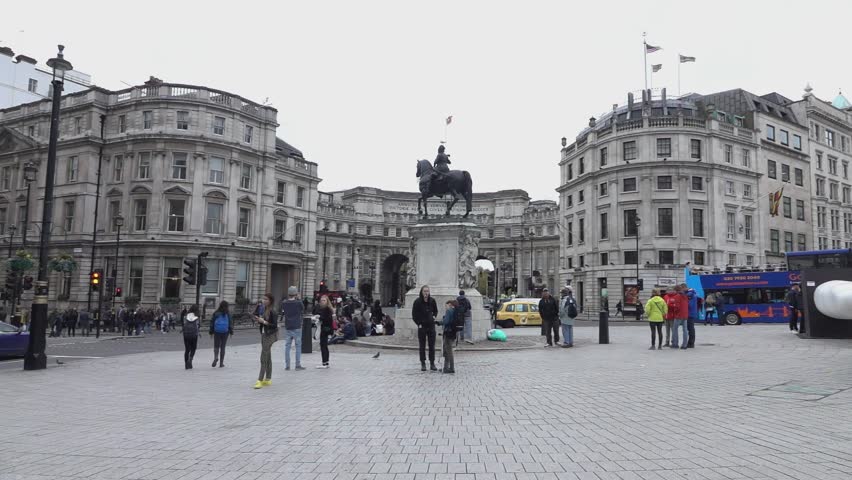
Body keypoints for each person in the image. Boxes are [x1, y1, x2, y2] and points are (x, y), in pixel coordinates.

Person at [412, 285, 438, 372]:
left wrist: (434, 316)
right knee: (422, 345)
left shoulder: (432, 301)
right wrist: (418, 323)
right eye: (424, 291)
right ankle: (423, 363)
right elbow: (414, 314)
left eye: (427, 291)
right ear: (421, 292)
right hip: (422, 326)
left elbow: (435, 310)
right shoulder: (417, 302)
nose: (426, 293)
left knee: (432, 345)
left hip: (431, 325)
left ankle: (432, 363)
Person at [254, 294, 278, 388]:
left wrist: (263, 322)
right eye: (263, 299)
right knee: (267, 356)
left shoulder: (273, 311)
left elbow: (274, 325)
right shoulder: (264, 309)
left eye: (266, 299)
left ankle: (260, 380)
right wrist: (258, 319)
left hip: (270, 335)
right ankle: (268, 378)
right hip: (264, 334)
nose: (263, 300)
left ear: (270, 301)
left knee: (263, 356)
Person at [281, 286, 305, 371]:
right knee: (298, 346)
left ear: (288, 293)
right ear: (296, 293)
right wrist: (299, 298)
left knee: (287, 346)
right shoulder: (298, 303)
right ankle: (297, 365)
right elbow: (303, 309)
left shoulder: (284, 302)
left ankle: (287, 365)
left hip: (288, 326)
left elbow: (283, 310)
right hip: (297, 326)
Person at [209, 301, 233, 368]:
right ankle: (221, 363)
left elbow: (212, 322)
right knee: (223, 347)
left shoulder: (216, 313)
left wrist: (211, 332)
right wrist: (231, 331)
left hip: (217, 331)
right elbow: (230, 323)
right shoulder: (228, 313)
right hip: (225, 331)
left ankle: (216, 357)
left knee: (216, 346)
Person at [316, 294, 334, 368]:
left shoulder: (327, 309)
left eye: (324, 300)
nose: (322, 302)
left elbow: (326, 319)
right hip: (326, 328)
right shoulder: (326, 308)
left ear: (327, 301)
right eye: (321, 300)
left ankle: (324, 362)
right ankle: (326, 362)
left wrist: (319, 317)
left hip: (325, 329)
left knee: (323, 345)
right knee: (324, 346)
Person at [669, 285, 689, 350]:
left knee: (675, 330)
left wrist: (675, 311)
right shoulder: (685, 296)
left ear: (676, 290)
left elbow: (677, 306)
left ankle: (675, 344)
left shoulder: (677, 296)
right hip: (685, 315)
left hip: (678, 315)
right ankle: (684, 345)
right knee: (685, 330)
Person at [441, 299, 458, 374]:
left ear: (450, 304)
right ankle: (445, 367)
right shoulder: (455, 311)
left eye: (447, 305)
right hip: (453, 332)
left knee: (448, 350)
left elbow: (446, 321)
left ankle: (451, 367)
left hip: (448, 331)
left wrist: (441, 321)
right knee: (447, 349)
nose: (446, 307)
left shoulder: (449, 311)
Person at [182, 305, 200, 369]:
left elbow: (183, 324)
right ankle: (190, 359)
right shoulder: (197, 317)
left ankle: (186, 364)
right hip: (194, 335)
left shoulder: (186, 316)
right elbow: (198, 326)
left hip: (186, 334)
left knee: (187, 350)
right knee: (193, 348)